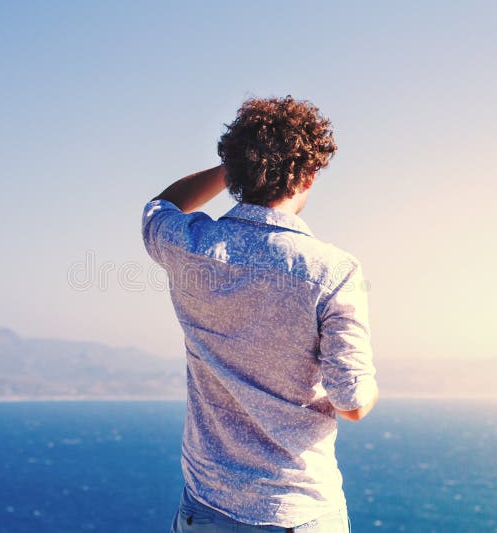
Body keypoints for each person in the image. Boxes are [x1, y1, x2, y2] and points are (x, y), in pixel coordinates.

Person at [141, 95, 378, 532]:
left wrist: (234, 166)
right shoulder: (333, 271)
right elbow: (353, 403)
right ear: (308, 173)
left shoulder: (189, 246)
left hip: (207, 507)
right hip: (299, 511)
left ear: (235, 170)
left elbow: (159, 208)